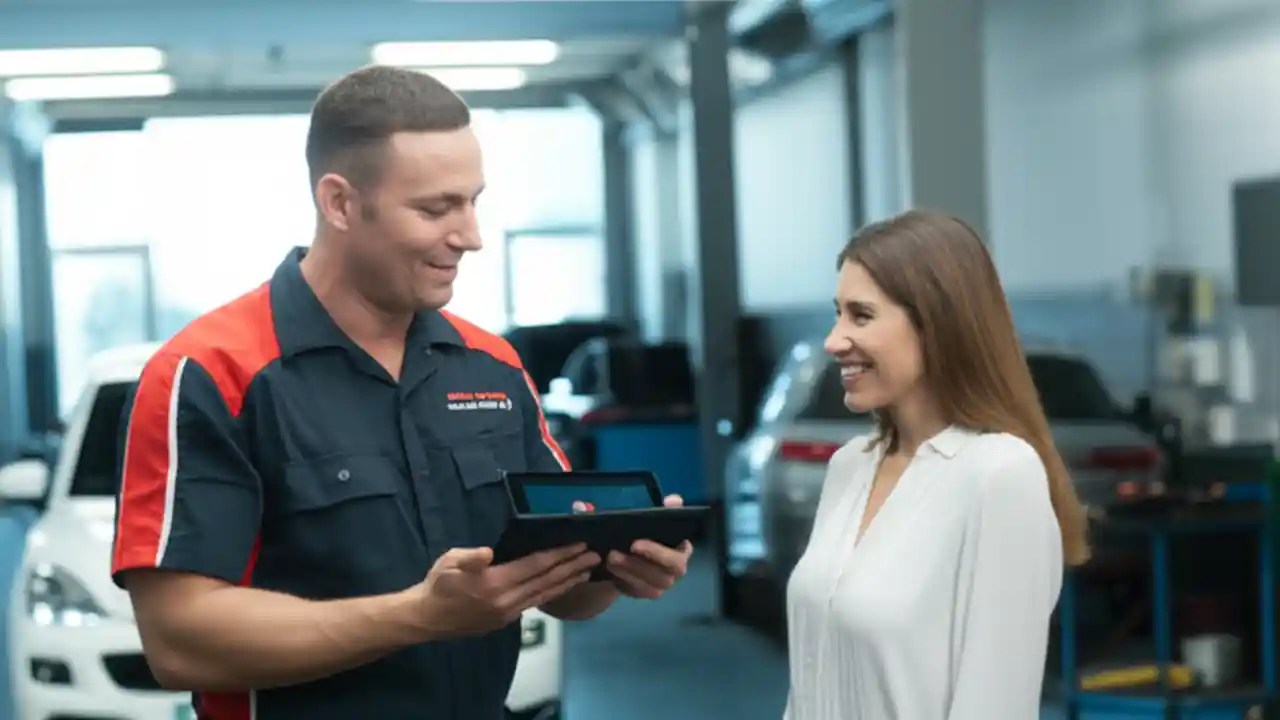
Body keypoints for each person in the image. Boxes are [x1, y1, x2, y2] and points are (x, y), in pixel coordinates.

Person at [110, 65, 692, 720]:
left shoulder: (492, 367)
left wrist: (614, 572)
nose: (470, 236)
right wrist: (419, 616)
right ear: (340, 204)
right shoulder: (213, 374)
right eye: (436, 208)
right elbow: (181, 642)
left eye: (473, 200)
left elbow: (559, 587)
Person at [783, 209, 1089, 720]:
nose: (833, 340)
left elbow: (995, 706)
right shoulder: (849, 467)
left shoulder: (998, 474)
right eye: (837, 314)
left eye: (860, 315)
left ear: (936, 325)